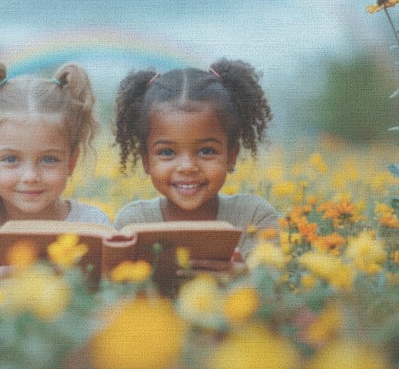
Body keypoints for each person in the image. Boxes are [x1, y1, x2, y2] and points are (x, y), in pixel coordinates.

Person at [0, 60, 111, 263]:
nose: (30, 177)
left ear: (71, 162)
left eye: (48, 159)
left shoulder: (93, 226)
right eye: (11, 159)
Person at [113, 61, 280, 267]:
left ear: (231, 155)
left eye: (206, 151)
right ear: (146, 160)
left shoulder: (254, 217)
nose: (187, 166)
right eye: (167, 152)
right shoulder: (133, 223)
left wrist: (244, 277)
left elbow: (274, 289)